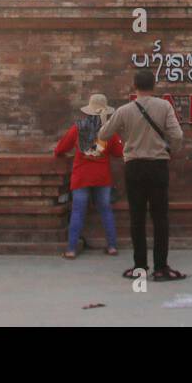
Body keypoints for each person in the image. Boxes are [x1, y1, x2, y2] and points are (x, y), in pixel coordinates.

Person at [96, 69, 186, 281]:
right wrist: (170, 151)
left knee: (137, 218)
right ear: (154, 86)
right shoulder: (164, 107)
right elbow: (178, 135)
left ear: (134, 86)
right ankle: (161, 268)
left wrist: (118, 129)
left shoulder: (124, 110)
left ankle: (140, 266)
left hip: (134, 166)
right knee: (160, 218)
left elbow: (103, 135)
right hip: (158, 166)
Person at [53, 94, 122, 260]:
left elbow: (61, 148)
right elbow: (119, 153)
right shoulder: (108, 130)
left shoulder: (78, 127)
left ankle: (71, 249)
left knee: (77, 212)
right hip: (102, 177)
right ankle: (112, 246)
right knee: (106, 210)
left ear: (88, 111)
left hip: (81, 176)